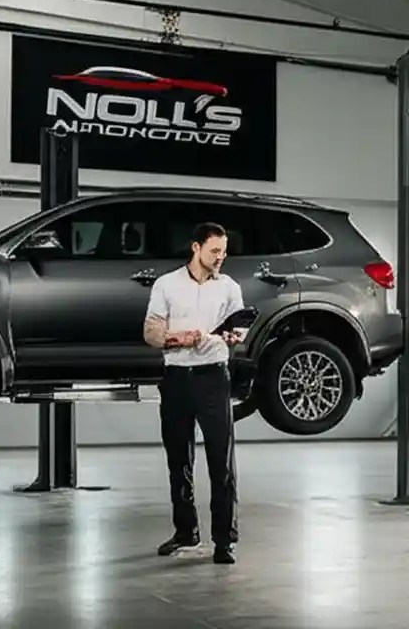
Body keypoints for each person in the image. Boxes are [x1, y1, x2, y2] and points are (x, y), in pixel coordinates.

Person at [143, 222, 246, 564]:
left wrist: (235, 337)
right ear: (196, 248)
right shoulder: (166, 284)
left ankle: (224, 541)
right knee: (179, 461)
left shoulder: (230, 287)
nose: (221, 257)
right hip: (176, 378)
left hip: (214, 377)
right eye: (215, 250)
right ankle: (186, 532)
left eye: (224, 251)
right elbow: (151, 331)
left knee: (222, 462)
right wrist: (178, 338)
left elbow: (238, 327)